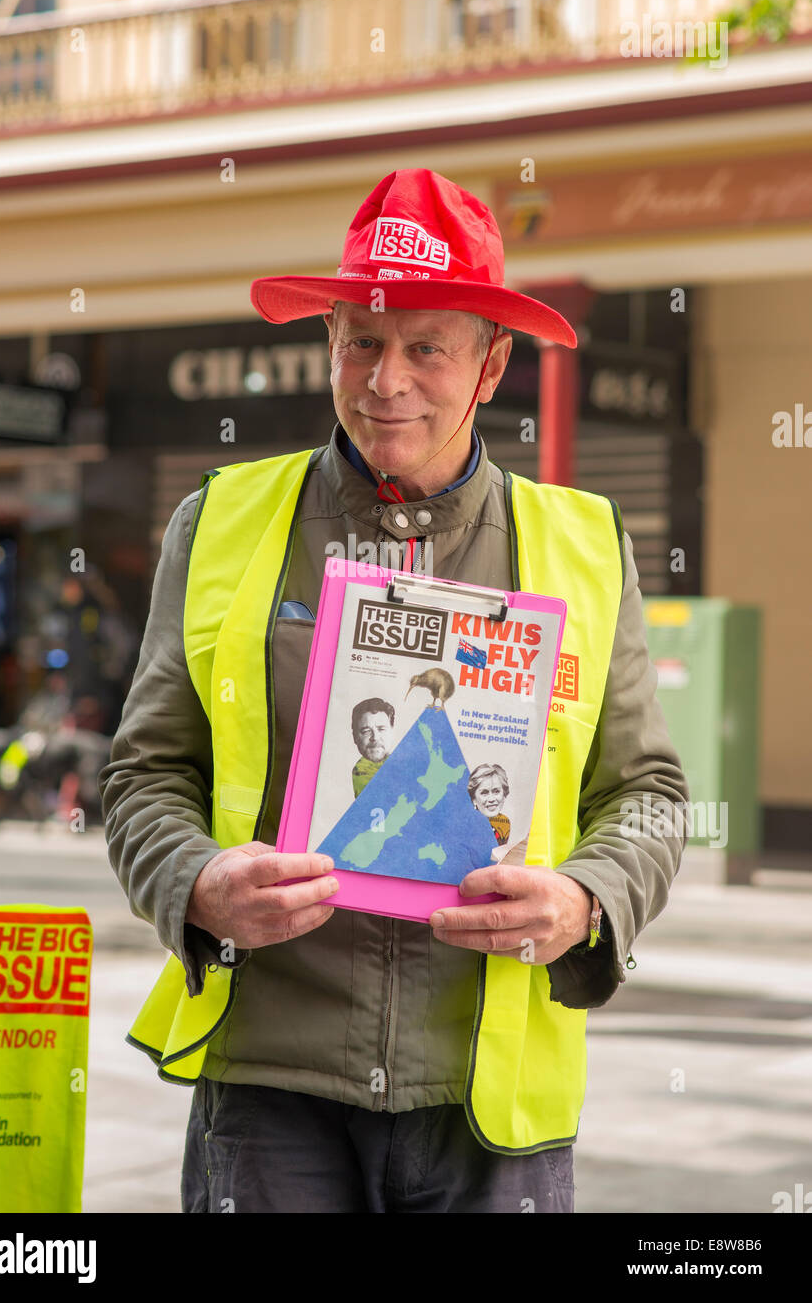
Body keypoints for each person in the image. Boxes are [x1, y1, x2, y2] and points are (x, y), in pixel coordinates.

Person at [99, 167, 689, 1214]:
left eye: (427, 347)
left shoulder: (584, 546)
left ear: (490, 364)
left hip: (487, 1105)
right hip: (273, 1090)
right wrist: (192, 881)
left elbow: (646, 794)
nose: (387, 379)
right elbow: (147, 772)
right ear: (329, 338)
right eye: (363, 341)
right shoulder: (222, 522)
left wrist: (585, 899)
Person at [351, 698, 395, 797]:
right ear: (355, 737)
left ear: (392, 732)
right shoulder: (360, 771)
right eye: (366, 731)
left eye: (381, 729)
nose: (375, 737)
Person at [468, 763, 511, 844]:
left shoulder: (504, 823)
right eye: (484, 793)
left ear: (504, 794)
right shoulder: (467, 826)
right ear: (474, 799)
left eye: (496, 791)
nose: (491, 799)